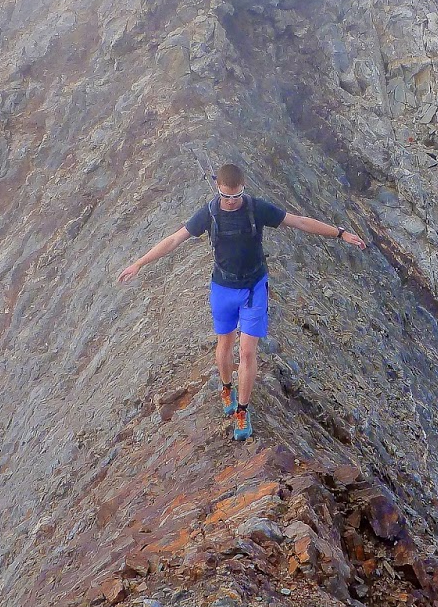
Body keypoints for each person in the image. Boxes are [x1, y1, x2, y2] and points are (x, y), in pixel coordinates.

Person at [117, 163, 366, 441]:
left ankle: (242, 410)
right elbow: (175, 239)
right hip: (223, 288)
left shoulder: (256, 208)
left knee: (247, 352)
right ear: (218, 189)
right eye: (226, 196)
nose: (231, 202)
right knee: (224, 344)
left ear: (243, 188)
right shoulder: (209, 213)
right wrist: (139, 263)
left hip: (253, 288)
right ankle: (227, 388)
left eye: (236, 196)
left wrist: (340, 233)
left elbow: (299, 222)